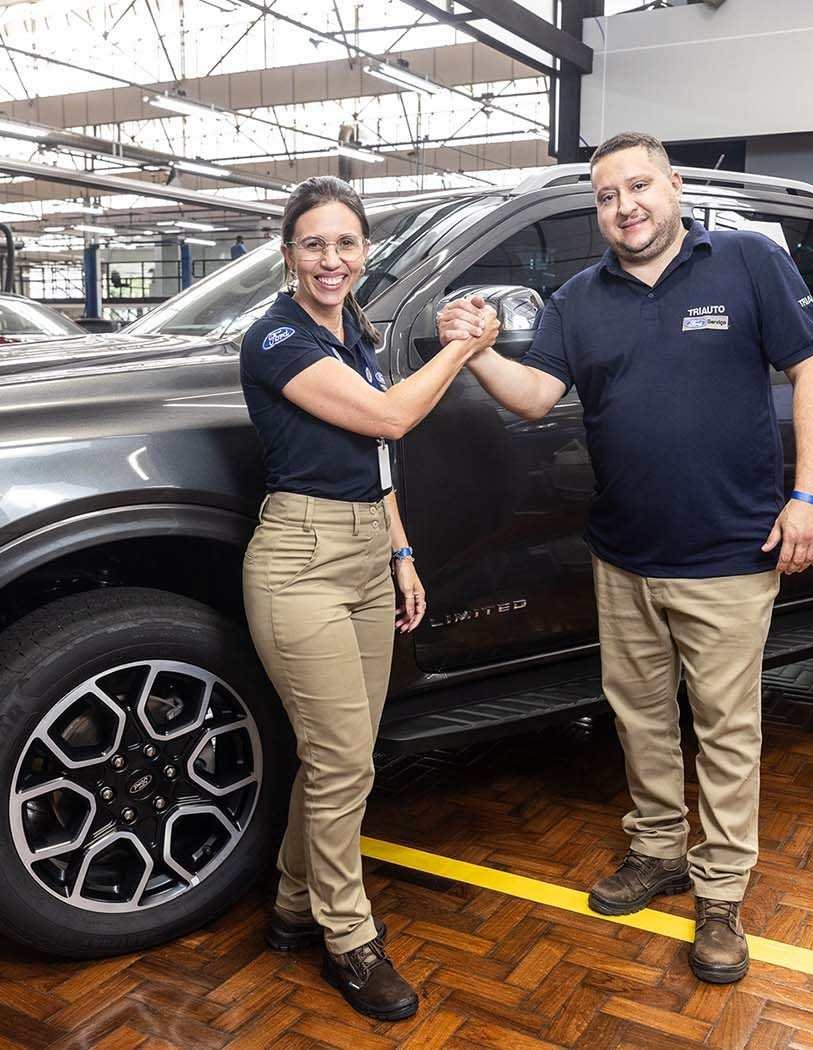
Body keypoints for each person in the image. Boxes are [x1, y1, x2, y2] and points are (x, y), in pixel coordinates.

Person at [438, 132, 813, 985]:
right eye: (608, 195)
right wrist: (476, 355)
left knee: (726, 730)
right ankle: (658, 850)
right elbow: (535, 397)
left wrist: (807, 496)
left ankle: (721, 893)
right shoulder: (579, 298)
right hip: (622, 555)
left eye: (638, 186)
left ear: (674, 185)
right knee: (640, 717)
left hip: (731, 551)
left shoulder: (744, 263)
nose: (625, 206)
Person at [240, 176, 498, 1021]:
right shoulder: (276, 338)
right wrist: (461, 349)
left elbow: (371, 463)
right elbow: (387, 422)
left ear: (363, 253)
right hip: (299, 560)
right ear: (288, 254)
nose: (330, 259)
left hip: (361, 551)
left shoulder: (353, 328)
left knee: (339, 753)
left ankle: (287, 905)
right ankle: (347, 938)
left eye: (345, 244)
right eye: (313, 244)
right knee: (345, 758)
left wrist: (400, 552)